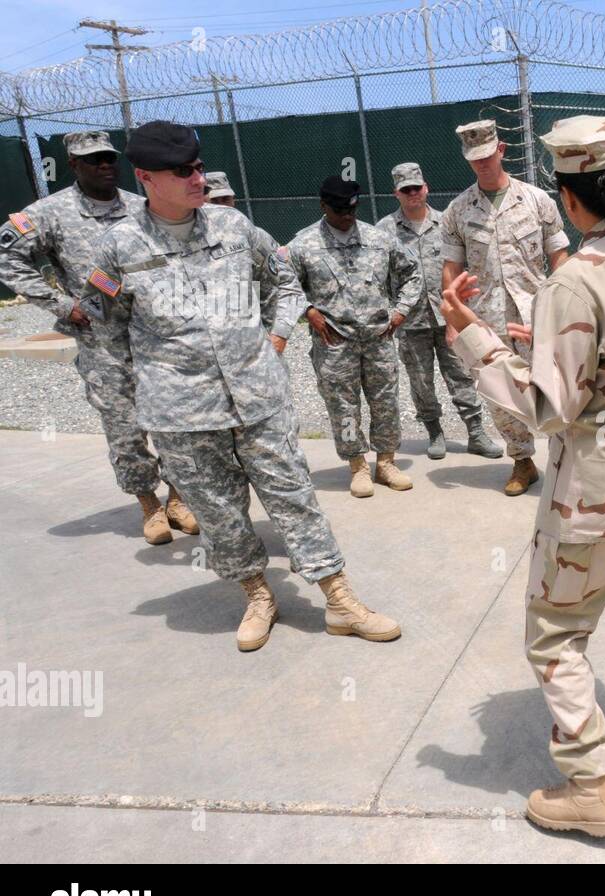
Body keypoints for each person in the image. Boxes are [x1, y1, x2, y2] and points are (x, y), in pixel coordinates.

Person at [440, 115, 605, 839]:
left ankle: (589, 782)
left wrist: (472, 336)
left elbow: (544, 410)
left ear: (568, 198)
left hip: (596, 492)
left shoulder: (573, 281)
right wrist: (560, 346)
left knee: (557, 634)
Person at [80, 120, 401, 652]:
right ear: (145, 178)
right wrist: (131, 398)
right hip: (181, 414)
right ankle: (258, 595)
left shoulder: (233, 227)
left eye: (200, 167)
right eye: (182, 171)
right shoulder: (116, 248)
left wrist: (275, 339)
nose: (197, 178)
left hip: (258, 399)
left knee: (294, 497)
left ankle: (340, 599)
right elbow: (100, 323)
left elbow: (284, 281)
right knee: (219, 513)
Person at [0, 130, 198, 544]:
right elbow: (7, 257)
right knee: (124, 426)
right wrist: (61, 304)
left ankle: (178, 500)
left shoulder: (140, 206)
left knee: (176, 420)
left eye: (109, 158)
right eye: (94, 160)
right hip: (101, 342)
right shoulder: (50, 213)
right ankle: (149, 506)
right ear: (73, 165)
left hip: (157, 336)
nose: (105, 166)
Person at [440, 118, 570, 495]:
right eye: (474, 158)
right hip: (485, 318)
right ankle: (522, 461)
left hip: (536, 313)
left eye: (487, 155)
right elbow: (451, 269)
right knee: (499, 391)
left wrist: (559, 307)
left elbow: (560, 256)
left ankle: (566, 459)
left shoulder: (536, 200)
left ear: (501, 150)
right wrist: (454, 321)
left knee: (552, 386)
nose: (482, 163)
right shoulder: (458, 210)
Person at [287, 176, 421, 498]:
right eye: (339, 210)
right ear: (323, 206)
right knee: (343, 406)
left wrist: (400, 311)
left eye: (352, 209)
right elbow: (283, 284)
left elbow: (412, 274)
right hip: (335, 344)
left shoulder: (379, 239)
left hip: (378, 338)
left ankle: (386, 463)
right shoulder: (303, 245)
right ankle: (358, 465)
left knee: (385, 401)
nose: (348, 216)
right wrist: (309, 311)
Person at [375, 161, 502, 461]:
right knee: (421, 381)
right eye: (405, 190)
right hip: (410, 320)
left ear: (426, 187)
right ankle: (434, 432)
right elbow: (378, 274)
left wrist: (463, 312)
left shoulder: (447, 222)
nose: (412, 194)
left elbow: (462, 267)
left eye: (416, 188)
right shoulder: (384, 230)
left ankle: (476, 432)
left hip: (449, 317)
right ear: (396, 193)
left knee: (460, 374)